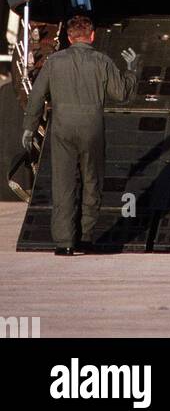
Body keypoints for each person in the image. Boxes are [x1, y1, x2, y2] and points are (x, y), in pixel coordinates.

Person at [22, 15, 138, 255]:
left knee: (63, 184)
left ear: (69, 37)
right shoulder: (102, 61)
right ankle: (85, 237)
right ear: (92, 36)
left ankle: (64, 243)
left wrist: (29, 127)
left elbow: (36, 97)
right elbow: (121, 94)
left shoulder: (54, 62)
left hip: (62, 128)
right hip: (92, 128)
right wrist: (132, 70)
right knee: (91, 181)